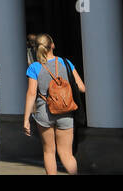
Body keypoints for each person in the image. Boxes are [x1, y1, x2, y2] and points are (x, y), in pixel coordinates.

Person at [23, 34, 86, 175]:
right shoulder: (66, 63)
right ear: (52, 45)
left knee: (49, 152)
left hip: (44, 113)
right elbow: (82, 88)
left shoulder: (35, 67)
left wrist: (26, 119)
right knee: (67, 154)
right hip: (66, 111)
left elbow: (31, 93)